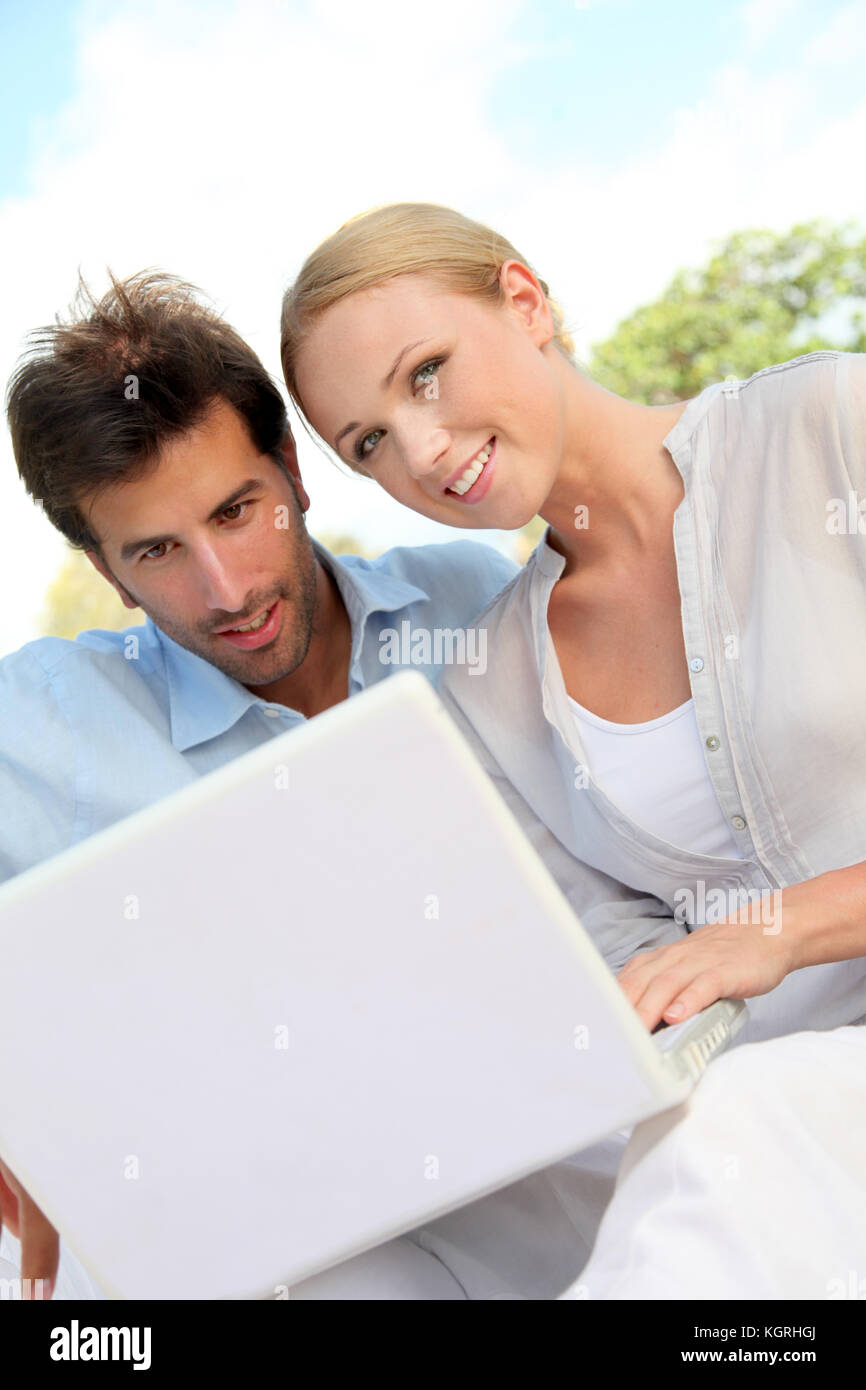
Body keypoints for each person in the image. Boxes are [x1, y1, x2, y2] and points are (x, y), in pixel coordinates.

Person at [276, 201, 866, 1297]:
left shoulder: (827, 426)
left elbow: (742, 960)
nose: (419, 449)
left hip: (770, 1122)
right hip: (736, 1103)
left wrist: (785, 927)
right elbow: (618, 969)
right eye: (365, 442)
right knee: (341, 1257)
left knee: (732, 1142)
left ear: (525, 300)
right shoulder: (487, 680)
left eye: (425, 374)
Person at [0, 270, 531, 1300]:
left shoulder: (472, 601)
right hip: (285, 1232)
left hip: (527, 1152)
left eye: (237, 510)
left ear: (291, 468)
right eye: (156, 550)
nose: (226, 589)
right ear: (106, 569)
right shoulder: (44, 722)